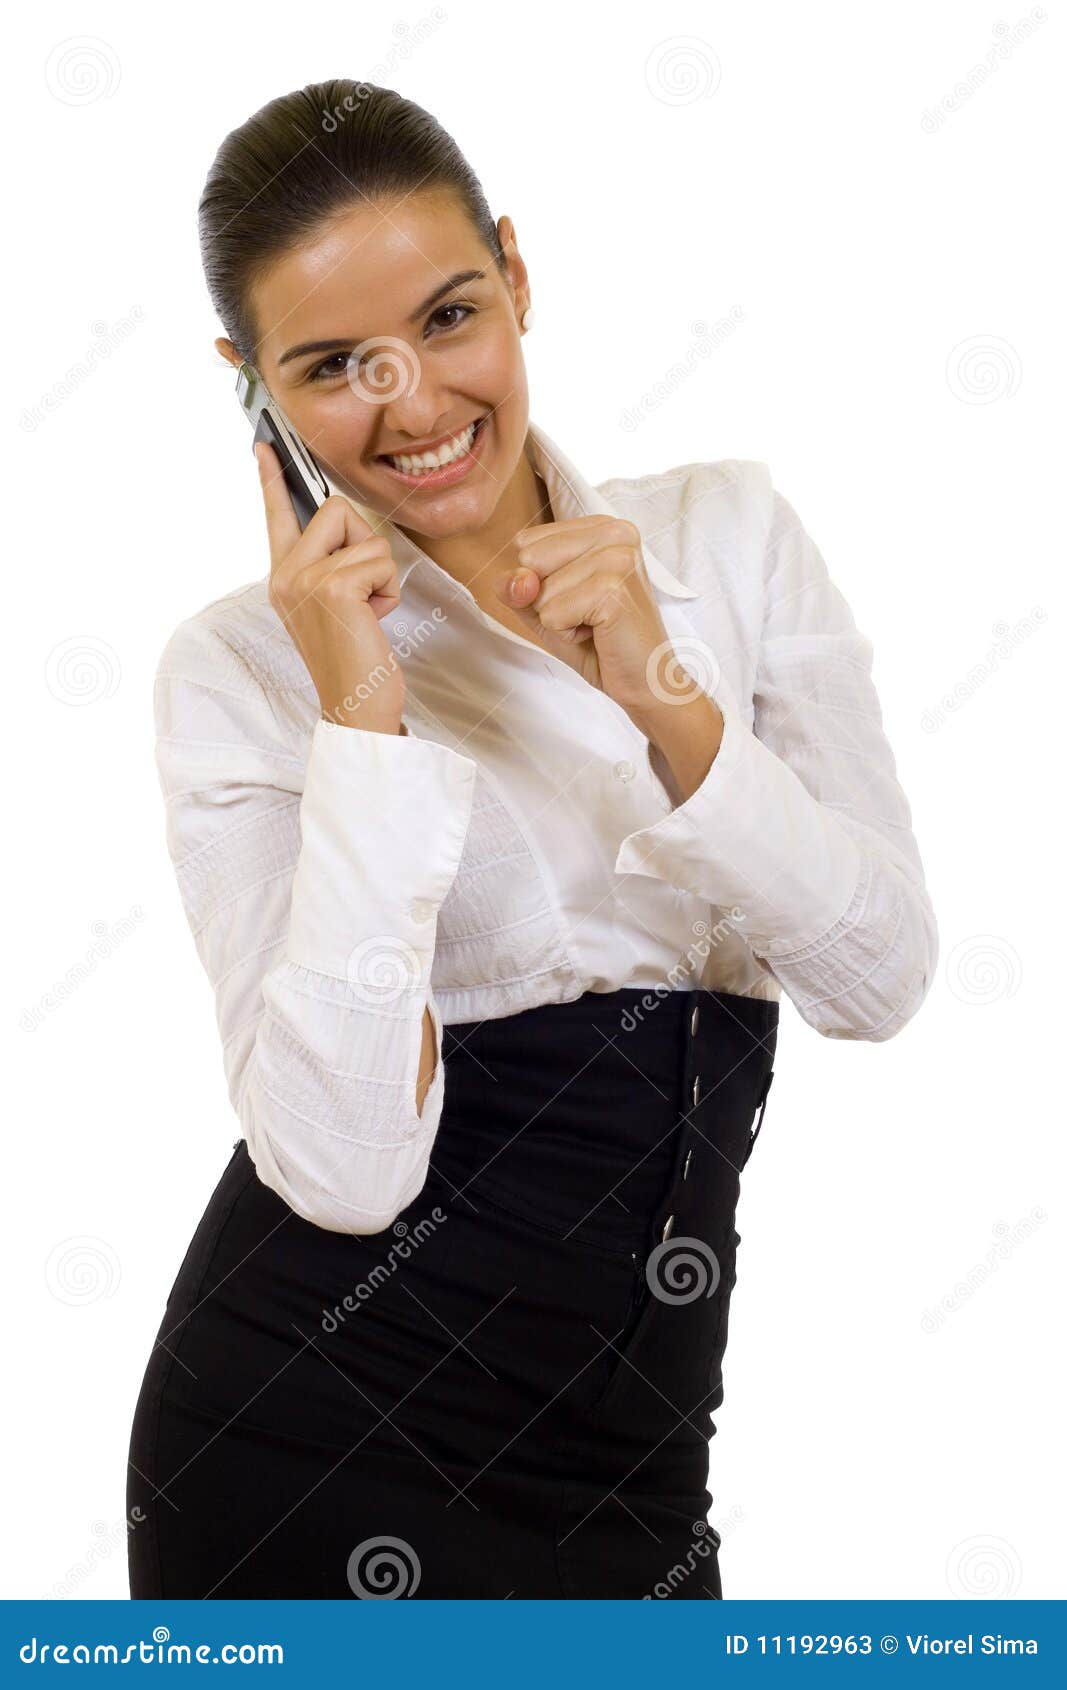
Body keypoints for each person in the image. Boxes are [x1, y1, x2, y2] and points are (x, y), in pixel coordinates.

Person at [126, 78, 938, 1600]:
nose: (418, 404)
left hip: (635, 1463)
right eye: (331, 367)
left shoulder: (727, 539)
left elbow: (879, 976)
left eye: (447, 316)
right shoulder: (236, 673)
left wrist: (666, 694)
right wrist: (359, 706)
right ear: (251, 391)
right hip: (300, 1454)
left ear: (513, 265)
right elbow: (348, 1172)